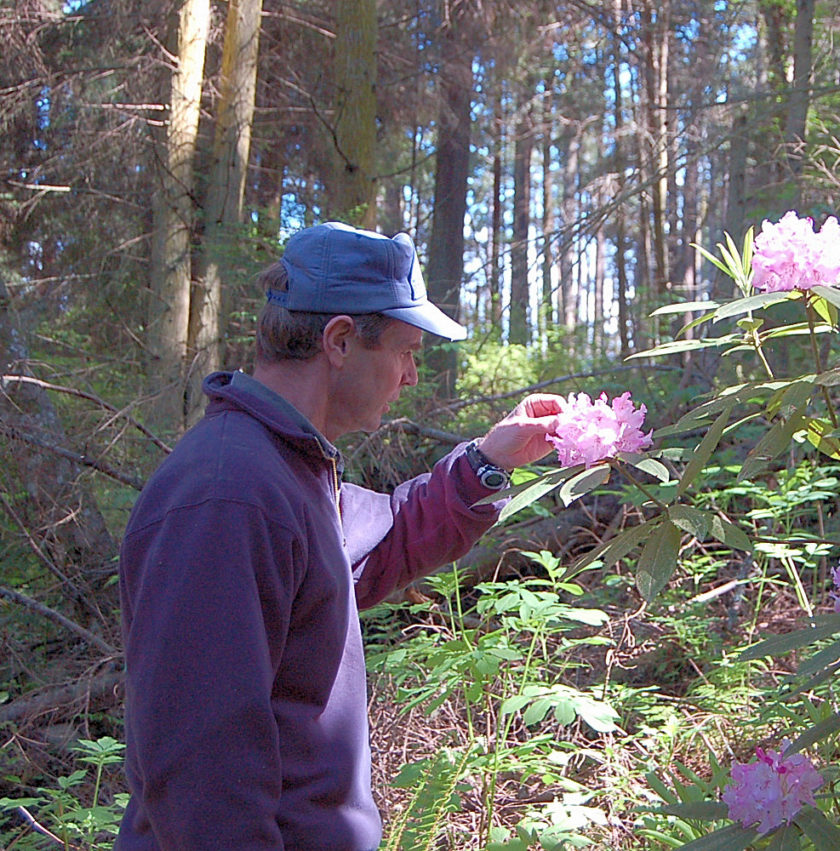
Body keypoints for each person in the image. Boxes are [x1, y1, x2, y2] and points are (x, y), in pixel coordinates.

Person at [116, 222, 564, 849]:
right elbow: (201, 781)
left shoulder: (284, 470)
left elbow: (379, 541)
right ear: (341, 340)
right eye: (406, 350)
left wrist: (488, 463)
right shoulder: (228, 496)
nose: (411, 376)